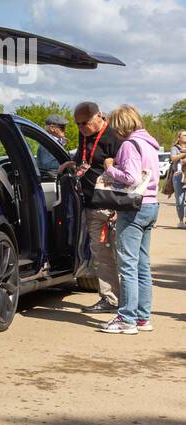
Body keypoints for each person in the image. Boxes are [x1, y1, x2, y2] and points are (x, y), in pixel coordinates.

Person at [98, 106, 159, 334]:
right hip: (151, 205)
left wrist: (111, 168)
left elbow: (131, 178)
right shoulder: (150, 144)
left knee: (128, 266)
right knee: (142, 265)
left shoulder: (129, 145)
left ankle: (127, 318)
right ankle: (143, 317)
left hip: (134, 207)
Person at [73, 101, 123, 314]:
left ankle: (131, 304)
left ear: (99, 116)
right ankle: (110, 299)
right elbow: (83, 161)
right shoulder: (83, 136)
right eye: (78, 124)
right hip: (91, 205)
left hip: (113, 206)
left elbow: (126, 175)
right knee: (101, 256)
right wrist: (71, 164)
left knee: (122, 256)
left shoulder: (115, 137)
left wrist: (118, 207)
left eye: (85, 123)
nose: (82, 127)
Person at [169, 130, 186, 228]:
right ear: (179, 138)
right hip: (178, 176)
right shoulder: (175, 148)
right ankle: (181, 220)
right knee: (179, 200)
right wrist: (183, 154)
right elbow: (173, 158)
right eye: (184, 135)